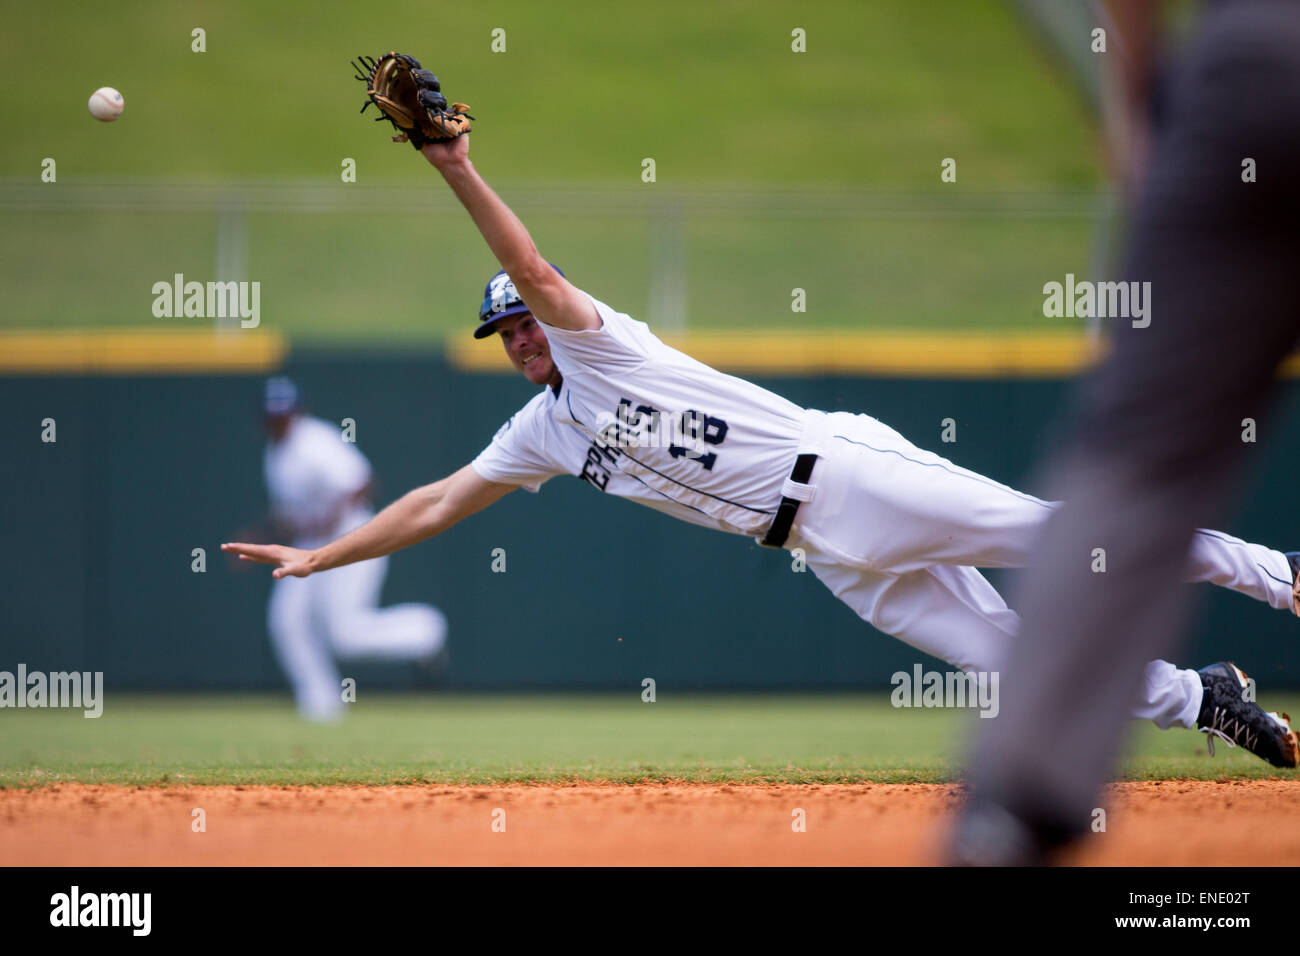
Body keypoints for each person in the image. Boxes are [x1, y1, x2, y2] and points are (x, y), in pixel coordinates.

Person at [224, 125, 1297, 757]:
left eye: (520, 324)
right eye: (501, 333)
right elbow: (441, 499)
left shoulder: (596, 348)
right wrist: (324, 553)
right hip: (825, 554)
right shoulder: (542, 429)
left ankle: (1281, 575)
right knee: (1019, 664)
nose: (516, 340)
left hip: (845, 474)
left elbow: (540, 270)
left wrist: (453, 163)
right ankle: (1203, 698)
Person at [951, 0, 1300, 864]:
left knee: (1133, 475)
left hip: (1259, 66)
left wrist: (1140, 90)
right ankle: (1226, 663)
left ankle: (1016, 816)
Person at [257, 376, 447, 721]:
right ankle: (322, 705)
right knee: (287, 621)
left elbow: (361, 482)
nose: (280, 418)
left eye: (285, 411)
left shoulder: (314, 440)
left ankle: (425, 631)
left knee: (345, 636)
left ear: (298, 411)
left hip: (352, 542)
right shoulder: (275, 452)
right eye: (273, 413)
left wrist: (330, 521)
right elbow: (292, 516)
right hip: (310, 547)